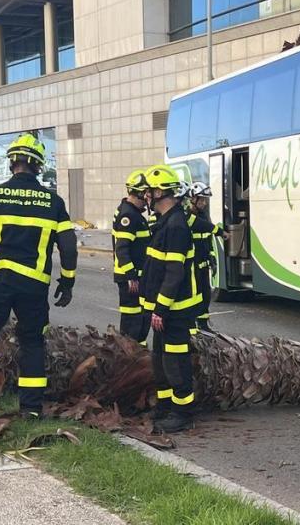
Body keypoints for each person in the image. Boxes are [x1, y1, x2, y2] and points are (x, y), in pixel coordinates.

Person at [0, 133, 77, 424]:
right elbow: (69, 245)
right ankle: (31, 409)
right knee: (32, 342)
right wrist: (67, 281)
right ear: (38, 166)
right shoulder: (53, 202)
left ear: (12, 163)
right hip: (33, 286)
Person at [139, 164, 203, 434]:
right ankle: (165, 407)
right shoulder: (165, 222)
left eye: (150, 192)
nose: (147, 198)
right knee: (161, 360)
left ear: (160, 193)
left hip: (174, 310)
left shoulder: (176, 225)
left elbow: (174, 273)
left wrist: (161, 308)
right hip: (163, 309)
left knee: (176, 362)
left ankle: (183, 413)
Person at [111, 169, 151, 344]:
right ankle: (128, 358)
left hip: (135, 276)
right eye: (146, 194)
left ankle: (137, 356)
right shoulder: (129, 215)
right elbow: (122, 249)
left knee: (140, 320)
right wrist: (131, 276)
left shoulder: (132, 212)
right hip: (130, 279)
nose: (148, 199)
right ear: (139, 193)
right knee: (132, 323)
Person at [185, 182, 224, 333]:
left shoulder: (204, 217)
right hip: (192, 264)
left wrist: (213, 258)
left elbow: (209, 241)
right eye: (201, 199)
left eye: (205, 200)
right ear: (193, 199)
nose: (204, 202)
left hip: (203, 264)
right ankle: (192, 325)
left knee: (205, 295)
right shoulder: (187, 217)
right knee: (194, 296)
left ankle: (203, 323)